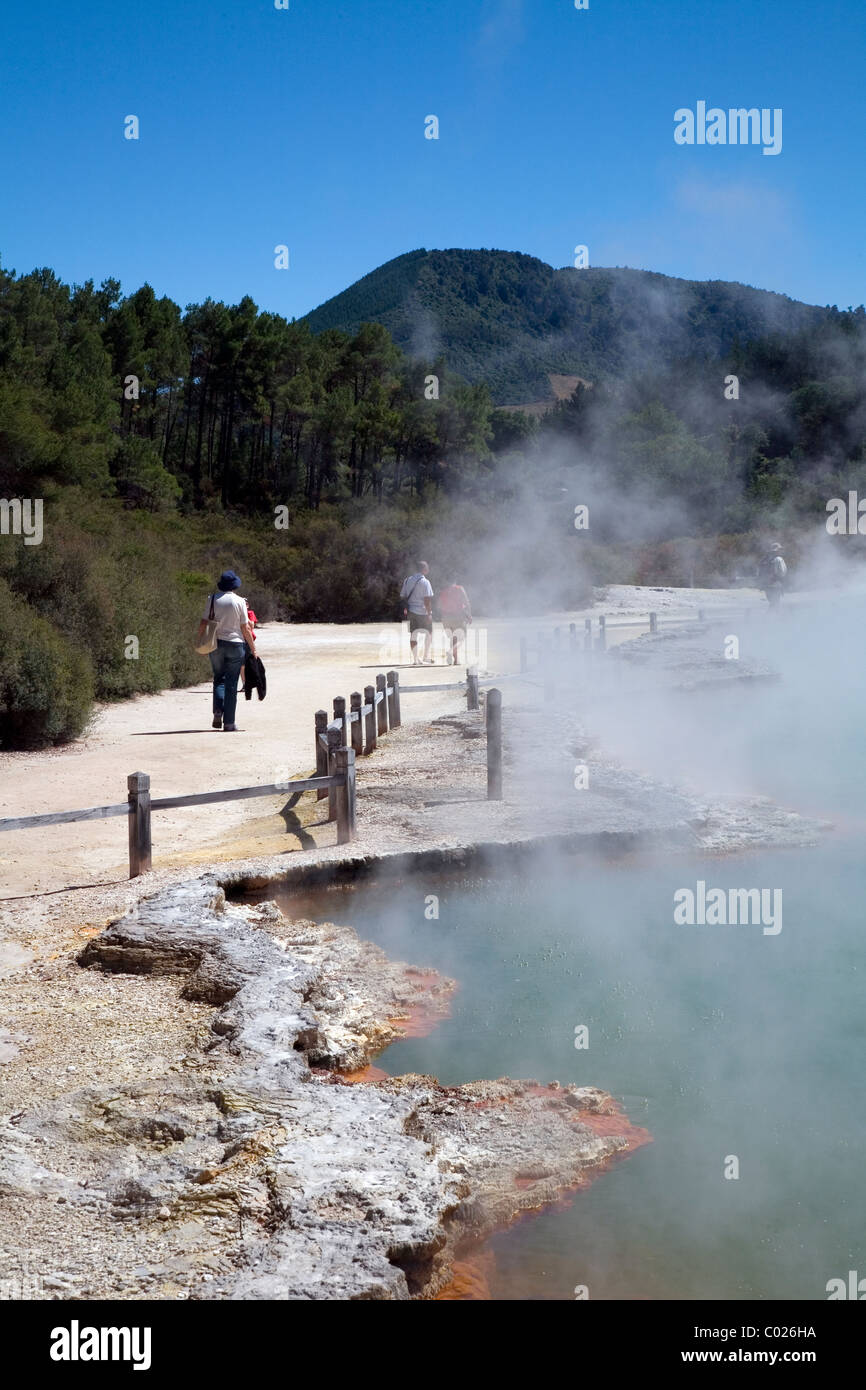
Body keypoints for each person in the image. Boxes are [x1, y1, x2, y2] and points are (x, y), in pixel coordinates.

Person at [197, 570, 258, 731]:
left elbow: (204, 623)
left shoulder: (212, 599)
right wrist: (253, 648)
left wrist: (199, 640)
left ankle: (218, 711)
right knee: (232, 684)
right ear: (234, 585)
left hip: (215, 644)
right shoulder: (239, 601)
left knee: (219, 679)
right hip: (236, 644)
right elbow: (245, 628)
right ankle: (229, 723)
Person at [400, 561, 434, 665]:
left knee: (413, 634)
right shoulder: (425, 582)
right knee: (429, 633)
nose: (428, 569)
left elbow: (403, 595)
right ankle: (425, 656)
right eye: (427, 567)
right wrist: (429, 613)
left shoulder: (407, 580)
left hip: (411, 611)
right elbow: (427, 600)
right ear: (424, 569)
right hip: (422, 612)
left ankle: (415, 659)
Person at [437, 577, 472, 666]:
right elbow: (466, 602)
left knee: (453, 638)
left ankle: (456, 660)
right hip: (458, 617)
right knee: (461, 638)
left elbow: (439, 606)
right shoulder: (459, 589)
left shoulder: (443, 591)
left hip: (446, 618)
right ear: (455, 582)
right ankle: (450, 652)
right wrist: (469, 615)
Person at [757, 542, 788, 607]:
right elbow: (783, 572)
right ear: (778, 550)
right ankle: (770, 616)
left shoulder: (764, 559)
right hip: (776, 584)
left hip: (766, 585)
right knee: (775, 603)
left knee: (772, 603)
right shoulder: (779, 559)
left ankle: (771, 616)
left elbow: (759, 572)